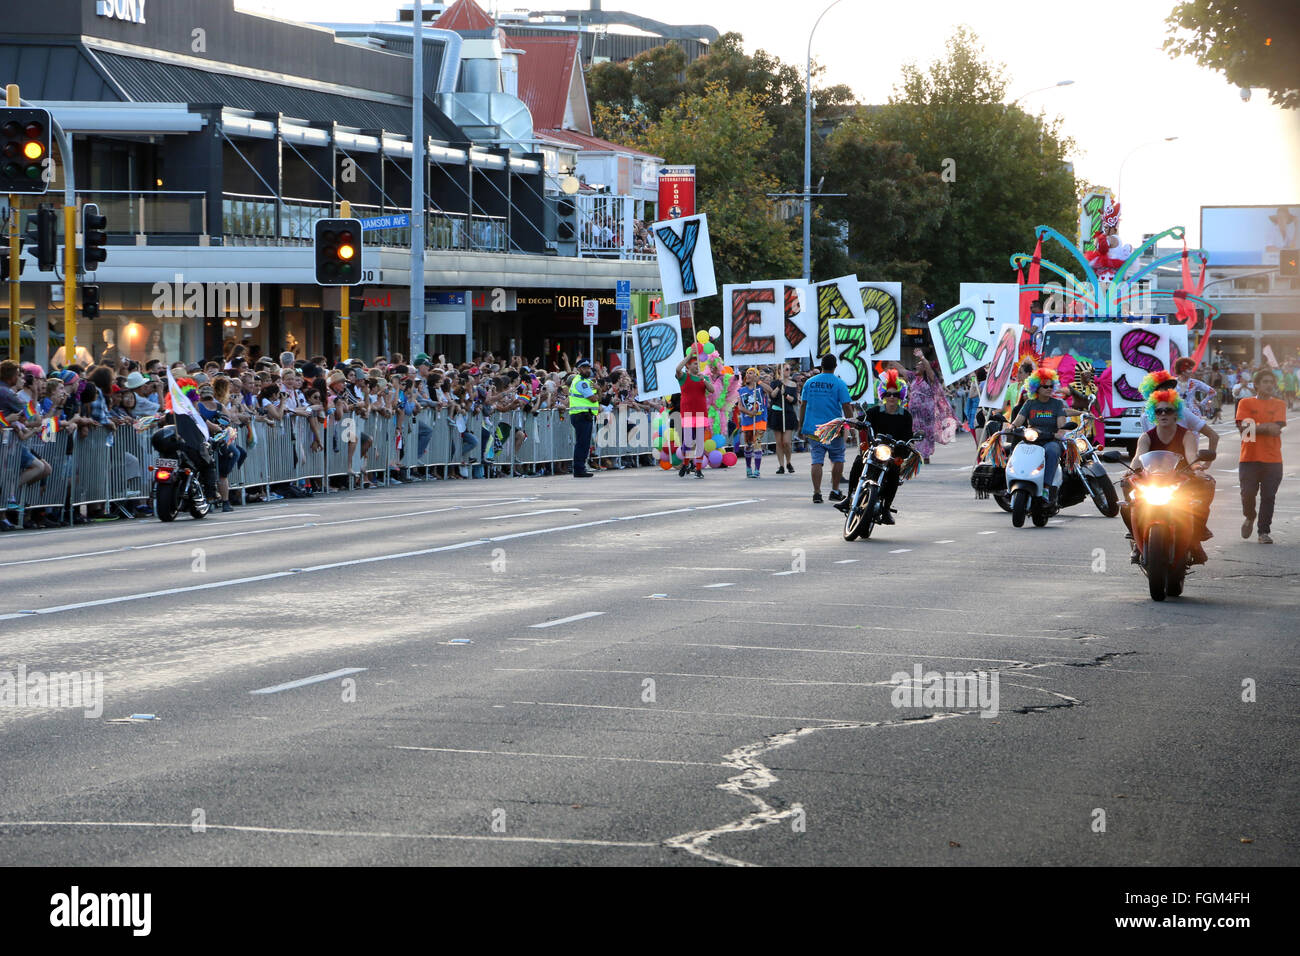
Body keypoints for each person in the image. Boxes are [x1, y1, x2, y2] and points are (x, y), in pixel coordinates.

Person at [1123, 388, 1214, 564]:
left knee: (1206, 488)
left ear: (1176, 414)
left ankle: (1195, 537)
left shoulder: (1185, 435)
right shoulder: (1146, 437)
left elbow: (1191, 455)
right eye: (1159, 411)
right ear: (1153, 414)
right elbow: (1137, 458)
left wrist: (1197, 469)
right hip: (1152, 482)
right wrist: (1131, 470)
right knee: (1127, 496)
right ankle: (1136, 539)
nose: (1163, 414)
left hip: (1180, 481)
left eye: (1168, 410)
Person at [836, 369, 914, 524]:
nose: (892, 397)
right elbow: (861, 420)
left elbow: (908, 436)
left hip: (891, 454)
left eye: (895, 394)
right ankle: (849, 496)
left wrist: (910, 443)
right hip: (874, 450)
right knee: (859, 462)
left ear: (901, 396)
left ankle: (885, 509)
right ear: (883, 394)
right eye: (889, 394)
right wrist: (854, 422)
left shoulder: (905, 416)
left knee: (894, 474)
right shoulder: (875, 411)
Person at [1236, 368, 1286, 544]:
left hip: (1273, 459)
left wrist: (1255, 426)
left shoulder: (1279, 404)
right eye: (1265, 382)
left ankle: (1263, 532)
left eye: (1271, 382)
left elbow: (1276, 429)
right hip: (1249, 458)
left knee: (1268, 496)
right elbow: (1245, 430)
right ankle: (1250, 516)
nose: (1269, 385)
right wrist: (1265, 427)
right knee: (1247, 494)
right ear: (1256, 385)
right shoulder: (1245, 403)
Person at [1007, 366, 1070, 506]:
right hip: (1032, 439)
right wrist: (1011, 427)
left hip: (1050, 439)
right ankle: (1010, 486)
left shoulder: (1057, 404)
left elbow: (1061, 426)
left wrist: (1060, 434)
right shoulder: (1030, 403)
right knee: (1015, 450)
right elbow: (1018, 420)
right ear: (1036, 387)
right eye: (1044, 386)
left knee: (1053, 451)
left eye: (1051, 386)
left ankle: (1046, 488)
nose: (1049, 388)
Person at [799, 354, 854, 504]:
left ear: (821, 366)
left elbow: (803, 404)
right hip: (833, 429)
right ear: (835, 366)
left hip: (813, 429)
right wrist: (852, 424)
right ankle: (835, 490)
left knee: (816, 459)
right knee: (837, 458)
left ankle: (817, 493)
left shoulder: (809, 383)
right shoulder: (839, 383)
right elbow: (846, 406)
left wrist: (801, 425)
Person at [674, 354, 717, 479]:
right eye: (694, 364)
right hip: (687, 413)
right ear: (688, 366)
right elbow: (677, 369)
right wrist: (689, 356)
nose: (697, 366)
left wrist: (703, 379)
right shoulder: (684, 377)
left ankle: (698, 469)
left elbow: (712, 390)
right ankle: (685, 464)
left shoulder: (703, 378)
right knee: (688, 442)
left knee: (699, 442)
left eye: (698, 364)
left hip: (701, 413)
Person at [764, 363, 799, 474]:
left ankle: (788, 462)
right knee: (779, 442)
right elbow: (772, 395)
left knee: (786, 442)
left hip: (788, 414)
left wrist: (786, 395)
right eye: (786, 369)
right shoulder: (775, 383)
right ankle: (781, 465)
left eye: (789, 369)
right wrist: (779, 386)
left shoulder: (793, 384)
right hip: (777, 414)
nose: (788, 371)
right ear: (780, 371)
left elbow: (794, 400)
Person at [568, 359, 599, 478]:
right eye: (585, 368)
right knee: (582, 443)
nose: (588, 370)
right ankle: (579, 469)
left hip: (583, 415)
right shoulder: (582, 382)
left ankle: (581, 468)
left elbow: (599, 396)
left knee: (584, 443)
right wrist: (598, 391)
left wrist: (598, 391)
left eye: (588, 367)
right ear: (579, 369)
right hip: (581, 415)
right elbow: (594, 398)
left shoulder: (585, 381)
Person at [736, 367, 768, 478]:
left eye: (752, 373)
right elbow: (739, 406)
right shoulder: (741, 390)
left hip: (760, 420)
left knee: (757, 444)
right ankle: (748, 467)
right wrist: (750, 412)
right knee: (748, 445)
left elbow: (770, 391)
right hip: (747, 421)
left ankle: (757, 470)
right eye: (748, 373)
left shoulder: (760, 388)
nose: (749, 375)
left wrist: (759, 381)